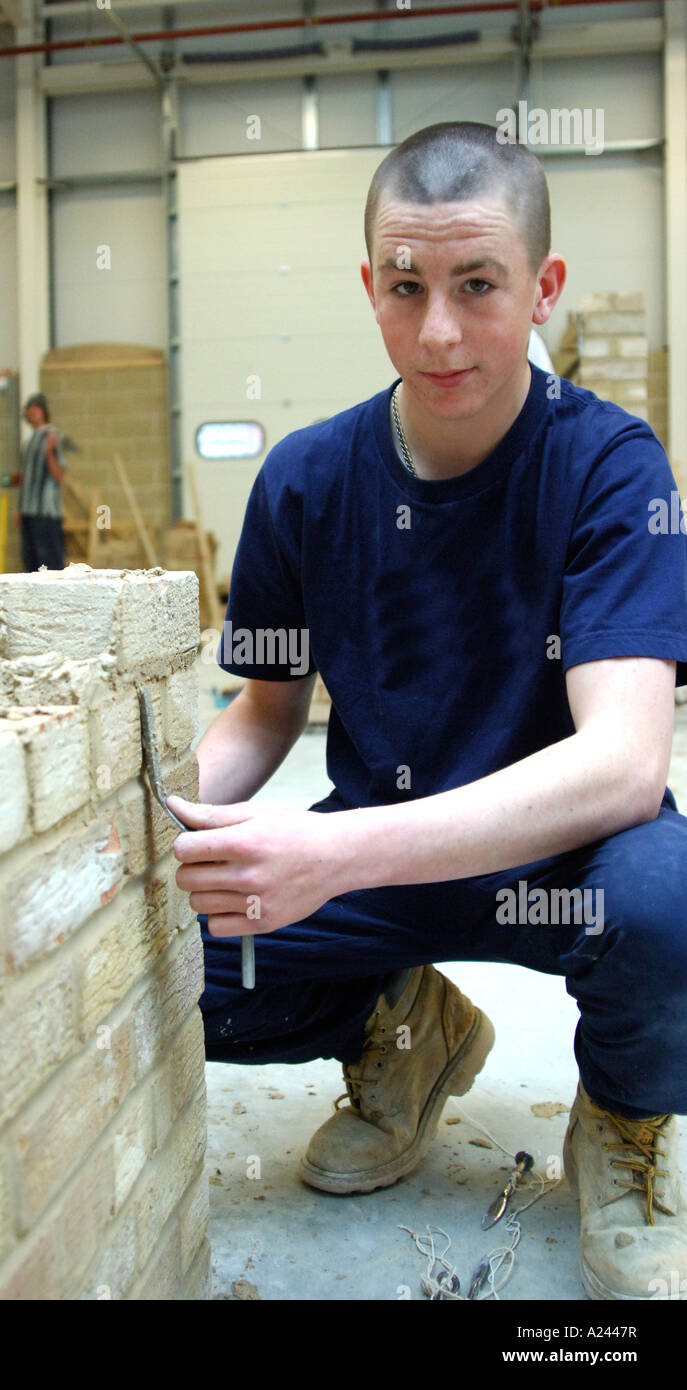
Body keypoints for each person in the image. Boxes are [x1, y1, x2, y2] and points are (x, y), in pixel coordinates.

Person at [166, 122, 687, 1302]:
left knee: (668, 913)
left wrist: (330, 849)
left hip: (568, 856)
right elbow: (261, 713)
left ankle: (620, 1115)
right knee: (167, 955)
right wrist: (167, 822)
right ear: (369, 286)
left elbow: (619, 762)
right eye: (406, 288)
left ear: (541, 286)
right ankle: (402, 1033)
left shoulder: (610, 466)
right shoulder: (304, 478)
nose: (438, 329)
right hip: (383, 862)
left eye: (477, 285)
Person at [18, 392, 66, 571]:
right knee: (31, 560)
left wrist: (49, 452)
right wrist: (20, 508)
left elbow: (59, 475)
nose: (33, 414)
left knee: (49, 559)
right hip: (28, 510)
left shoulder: (52, 436)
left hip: (46, 510)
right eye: (30, 411)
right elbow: (25, 477)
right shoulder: (28, 442)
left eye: (36, 410)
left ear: (43, 412)